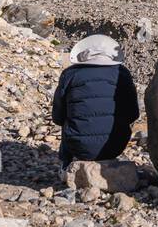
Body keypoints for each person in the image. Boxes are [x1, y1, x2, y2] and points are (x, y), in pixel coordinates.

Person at [51, 34, 139, 168]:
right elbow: (133, 114)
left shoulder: (70, 74)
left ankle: (66, 165)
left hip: (78, 147)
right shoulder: (122, 73)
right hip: (115, 146)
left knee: (68, 120)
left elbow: (58, 116)